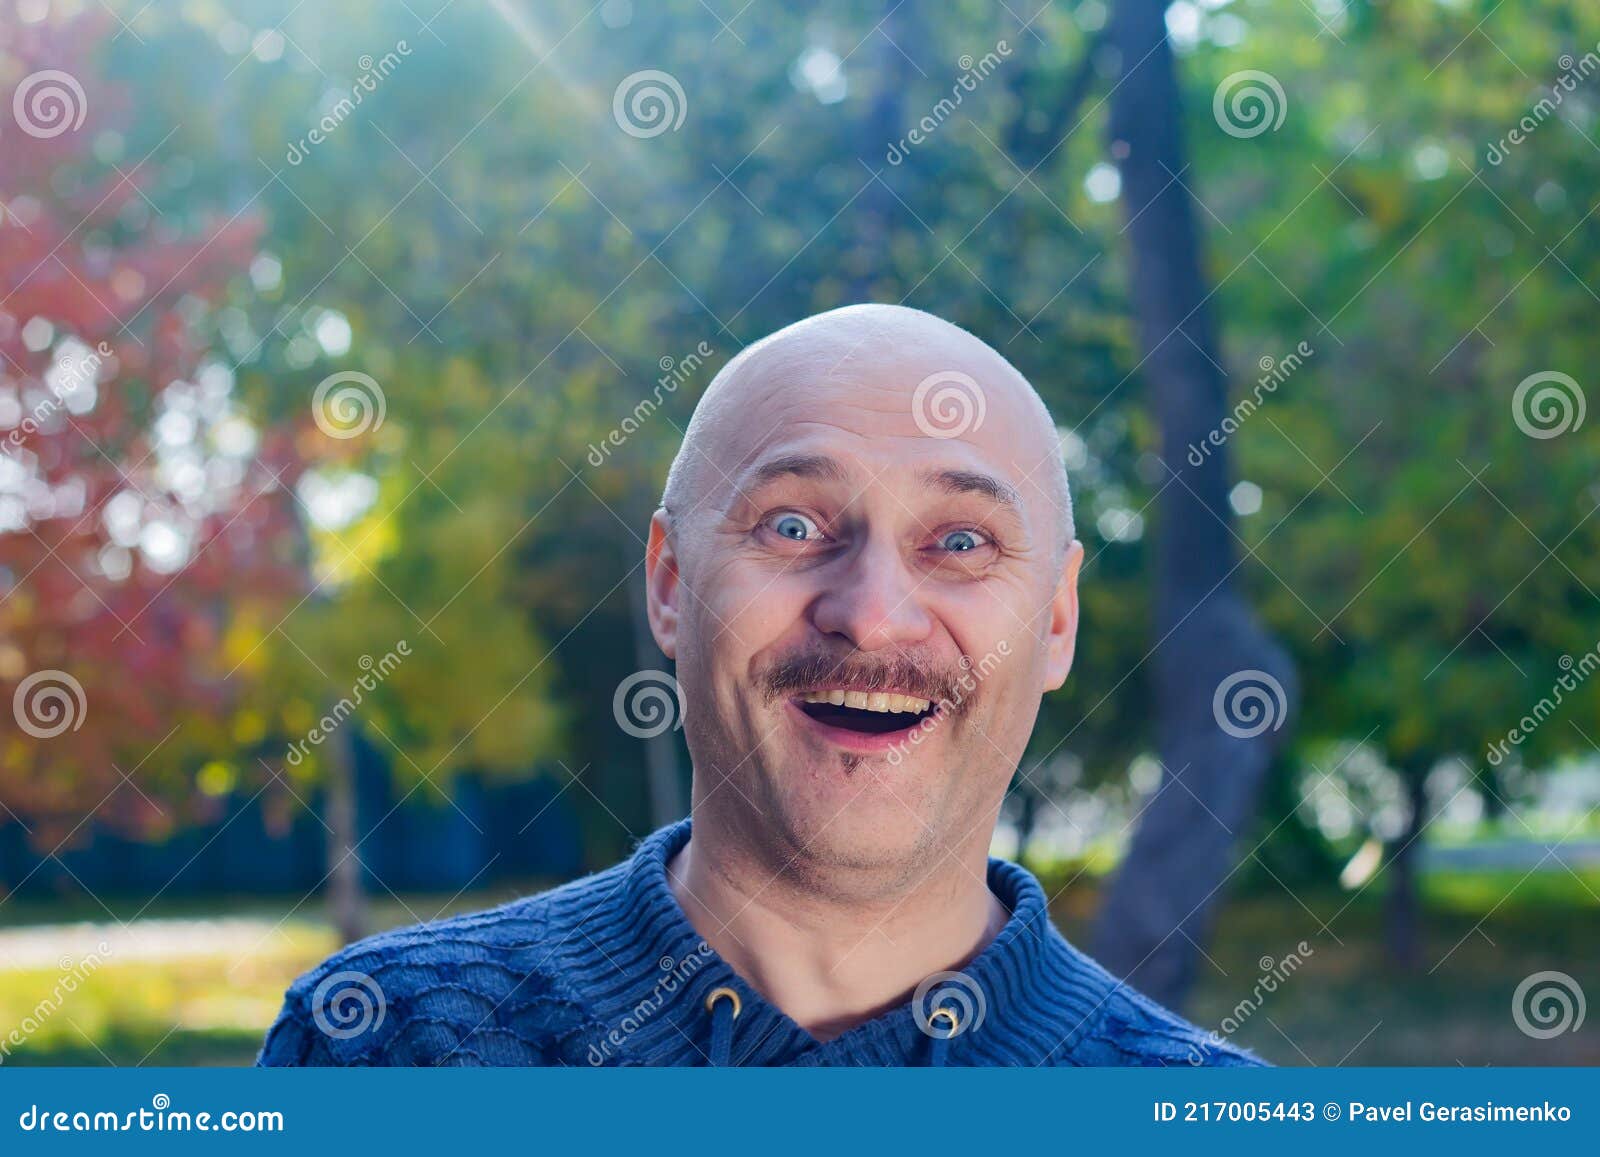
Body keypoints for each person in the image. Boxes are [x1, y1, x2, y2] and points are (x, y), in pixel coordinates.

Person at [257, 304, 1260, 1067]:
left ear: (1054, 619)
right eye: (791, 525)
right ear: (669, 581)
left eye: (959, 541)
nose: (870, 614)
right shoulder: (380, 1049)